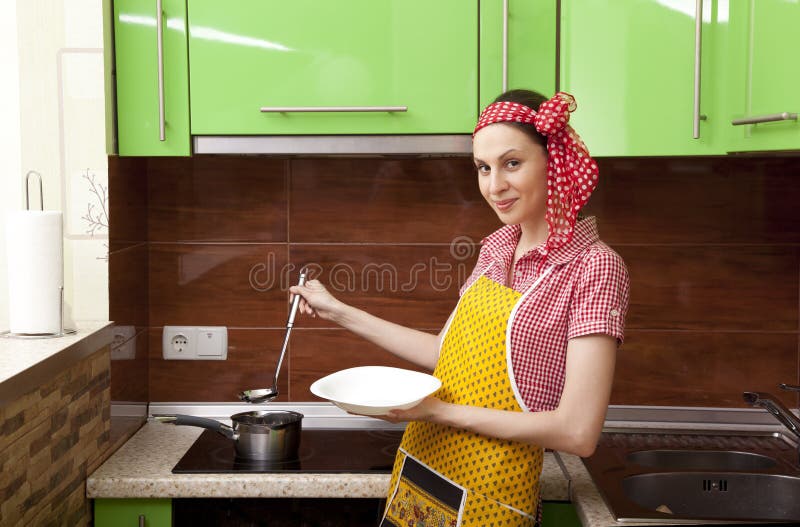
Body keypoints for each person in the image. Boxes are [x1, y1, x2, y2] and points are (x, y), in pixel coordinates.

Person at [290, 90, 630, 526]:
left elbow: (577, 432)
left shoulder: (594, 266)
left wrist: (438, 412)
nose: (494, 186)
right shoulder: (495, 248)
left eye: (512, 163)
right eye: (483, 168)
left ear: (555, 161)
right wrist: (337, 311)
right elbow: (444, 354)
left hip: (494, 491)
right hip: (423, 471)